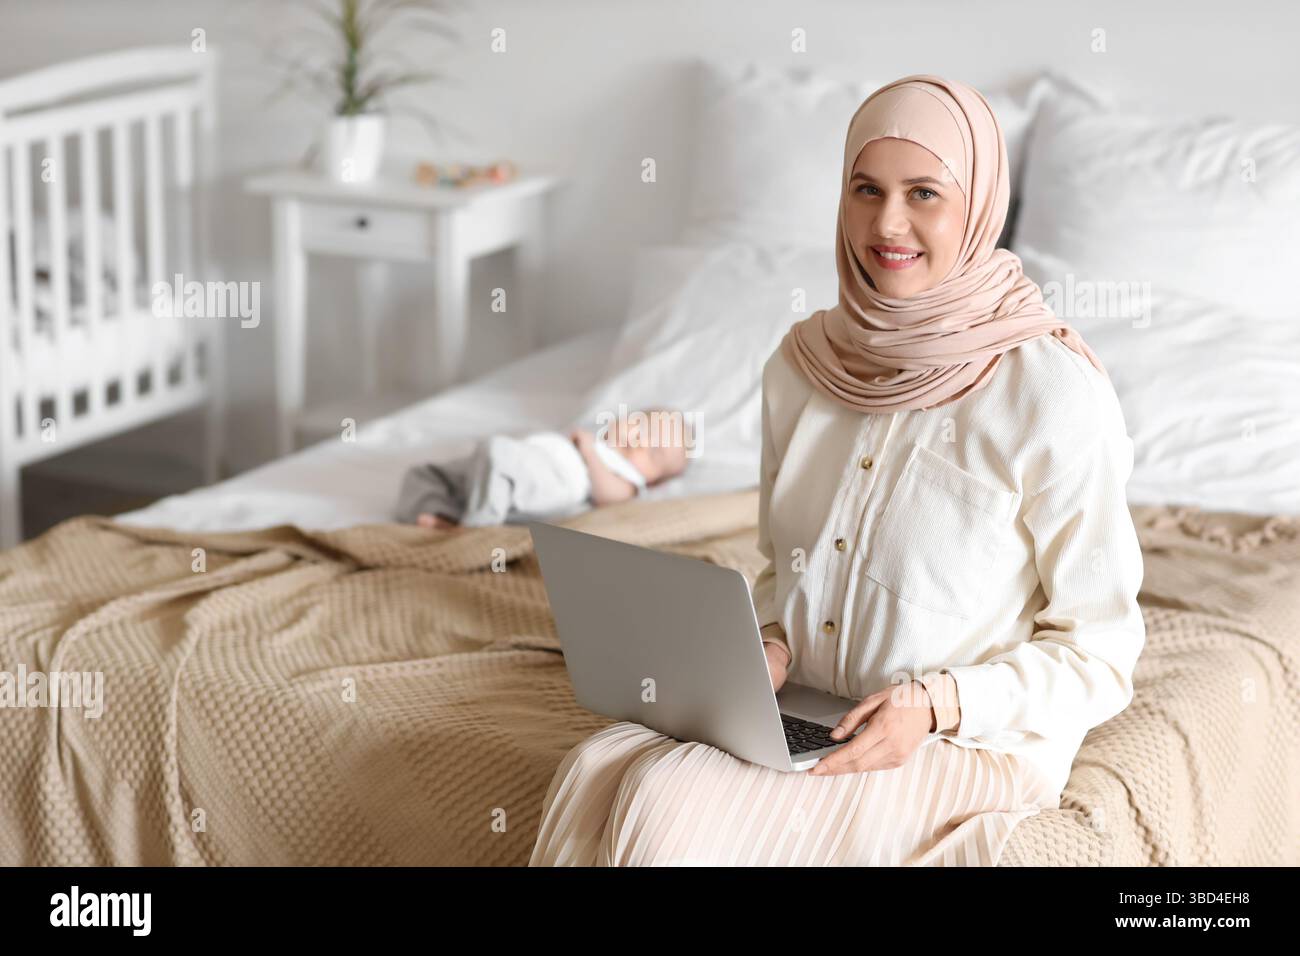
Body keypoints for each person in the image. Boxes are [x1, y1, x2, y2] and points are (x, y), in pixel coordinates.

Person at [528, 75, 1145, 866]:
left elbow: (1103, 650)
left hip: (966, 744)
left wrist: (937, 704)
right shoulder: (802, 365)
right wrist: (774, 643)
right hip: (812, 710)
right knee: (596, 767)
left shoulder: (1051, 393)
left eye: (925, 193)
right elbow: (788, 568)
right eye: (866, 189)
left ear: (980, 206)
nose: (888, 224)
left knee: (662, 802)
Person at [394, 407, 691, 528]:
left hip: (551, 479)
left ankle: (476, 531)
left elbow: (608, 496)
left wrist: (588, 452)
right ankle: (440, 516)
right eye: (641, 427)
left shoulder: (626, 480)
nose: (640, 442)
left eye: (654, 453)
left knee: (496, 454)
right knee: (423, 475)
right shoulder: (598, 439)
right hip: (511, 464)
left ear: (653, 482)